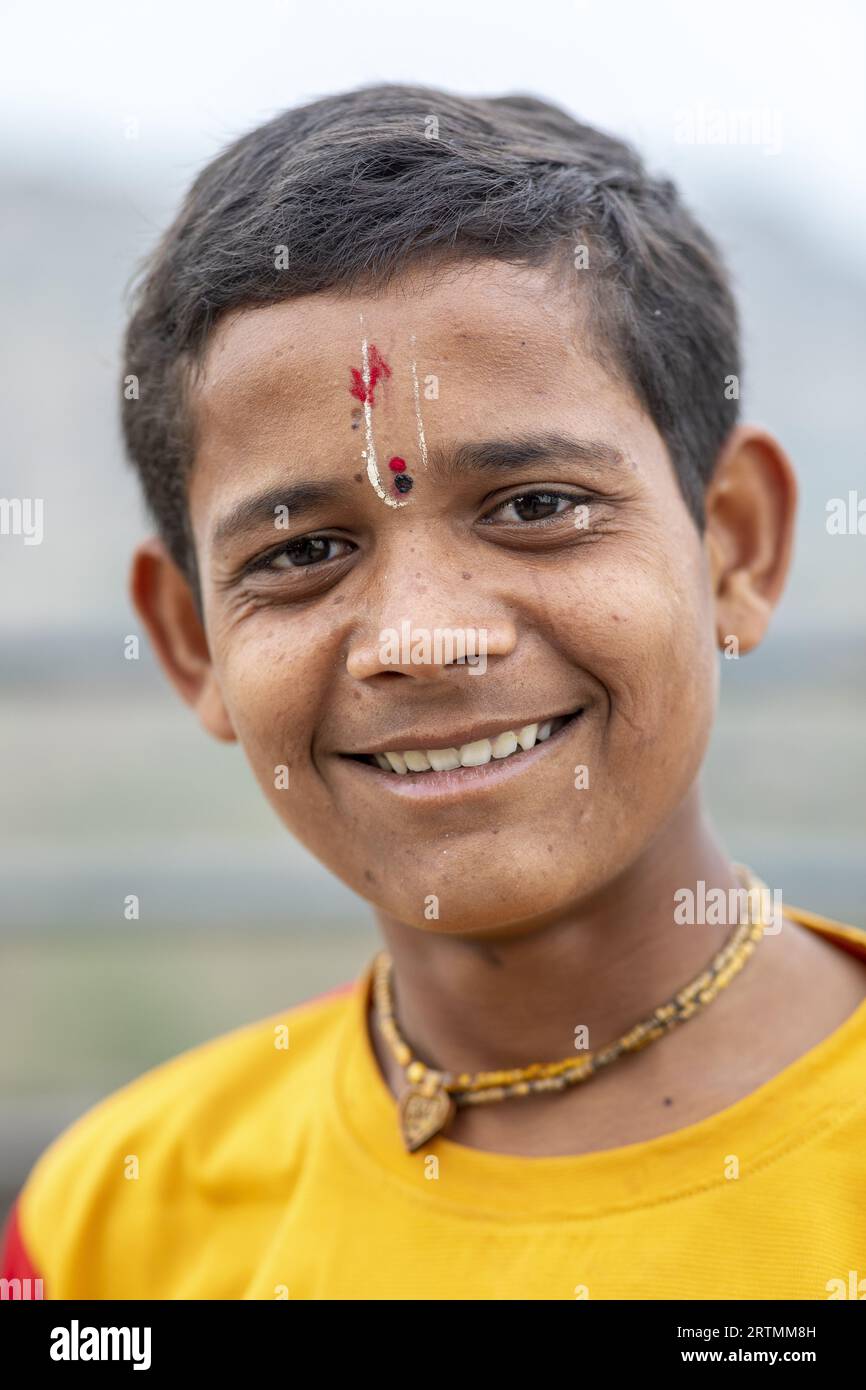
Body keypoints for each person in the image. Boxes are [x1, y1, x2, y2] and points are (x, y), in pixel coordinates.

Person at [4, 83, 866, 1302]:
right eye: (301, 552)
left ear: (732, 546)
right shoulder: (113, 1226)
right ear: (190, 640)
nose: (420, 638)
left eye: (535, 508)